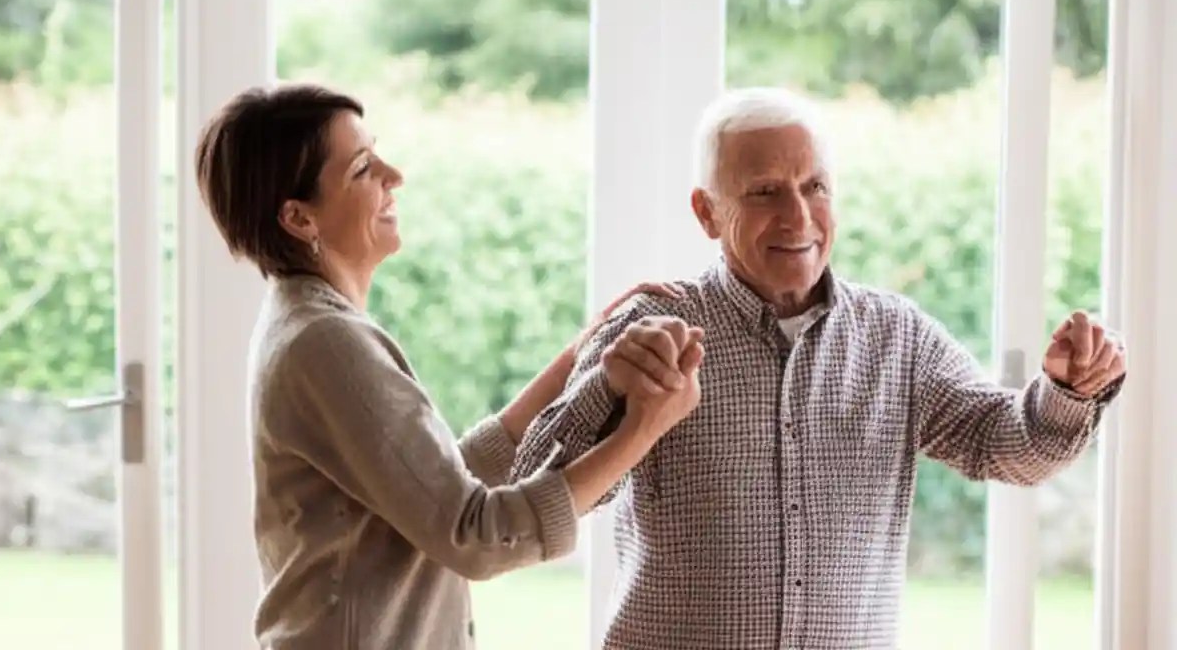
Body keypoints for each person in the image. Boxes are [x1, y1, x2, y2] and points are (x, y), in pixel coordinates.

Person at [511, 87, 1127, 649]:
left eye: (815, 187)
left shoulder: (897, 336)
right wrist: (608, 390)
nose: (799, 217)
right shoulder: (651, 328)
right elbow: (532, 483)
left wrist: (1069, 390)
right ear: (706, 213)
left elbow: (1009, 445)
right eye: (765, 192)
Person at [192, 83, 708, 650]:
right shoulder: (327, 344)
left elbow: (434, 490)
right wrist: (644, 428)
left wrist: (579, 355)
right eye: (364, 169)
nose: (395, 176)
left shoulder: (307, 324)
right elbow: (477, 535)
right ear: (298, 218)